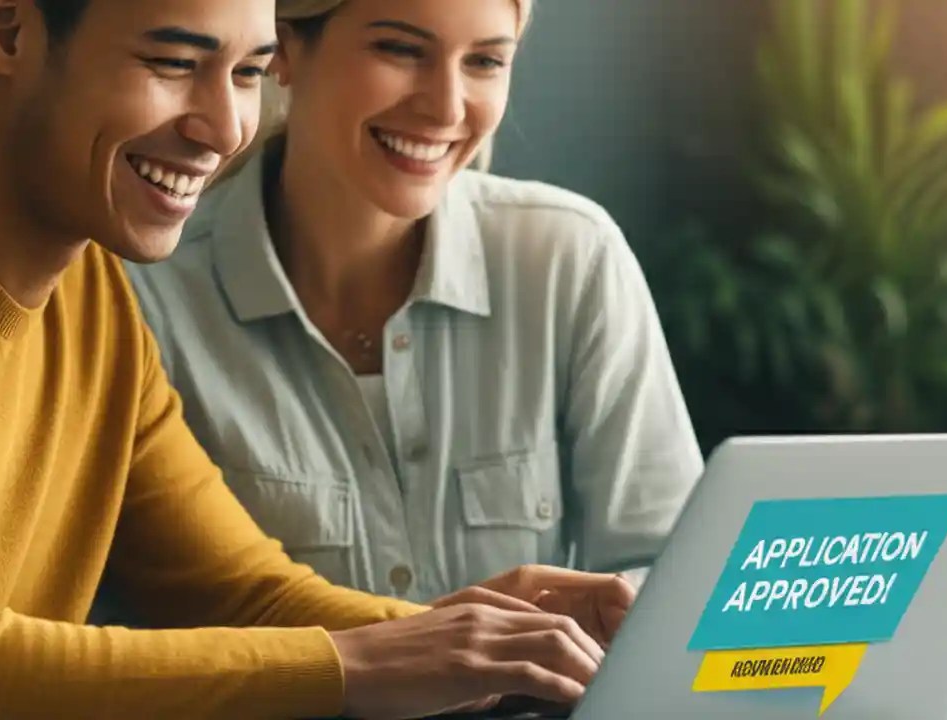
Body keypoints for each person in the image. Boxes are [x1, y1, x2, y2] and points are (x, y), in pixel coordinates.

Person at [0, 0, 637, 718]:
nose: (226, 128)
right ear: (6, 29)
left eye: (246, 73)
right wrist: (369, 658)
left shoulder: (91, 293)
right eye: (173, 63)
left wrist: (479, 642)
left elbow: (244, 594)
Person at [126, 0, 704, 605]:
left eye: (484, 61)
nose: (446, 106)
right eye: (400, 50)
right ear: (286, 50)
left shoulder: (570, 259)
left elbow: (670, 565)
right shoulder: (148, 296)